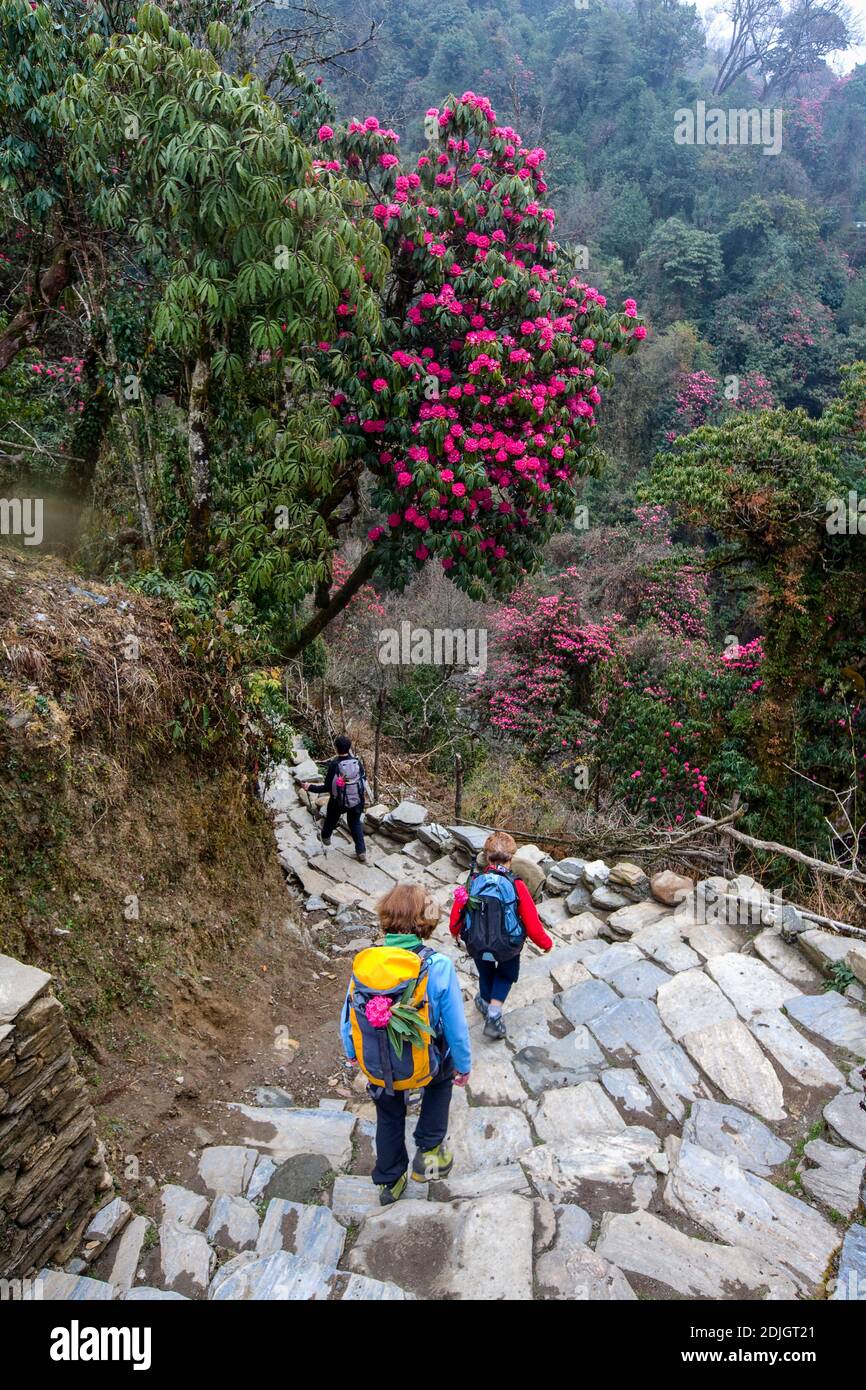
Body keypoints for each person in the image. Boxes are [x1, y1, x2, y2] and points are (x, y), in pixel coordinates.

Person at [340, 883, 471, 1206]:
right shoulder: (437, 965)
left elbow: (348, 1015)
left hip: (379, 1063)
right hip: (425, 1059)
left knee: (388, 1112)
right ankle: (428, 1156)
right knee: (441, 1082)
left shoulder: (365, 963)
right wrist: (464, 1064)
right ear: (425, 922)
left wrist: (352, 1053)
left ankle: (390, 1178)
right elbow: (455, 1024)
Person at [449, 830, 552, 1040]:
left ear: (487, 857)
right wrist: (545, 943)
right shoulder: (516, 884)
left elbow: (458, 911)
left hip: (477, 943)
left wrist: (455, 932)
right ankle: (494, 1015)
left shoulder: (474, 881)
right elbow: (532, 921)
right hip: (507, 947)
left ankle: (485, 1001)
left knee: (485, 972)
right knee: (505, 974)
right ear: (511, 858)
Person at [302, 733, 368, 862]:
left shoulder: (334, 765)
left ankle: (326, 837)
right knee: (354, 823)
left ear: (336, 748)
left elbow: (327, 787)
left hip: (338, 802)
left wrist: (310, 787)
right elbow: (363, 780)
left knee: (331, 818)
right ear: (349, 748)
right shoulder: (357, 763)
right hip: (357, 800)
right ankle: (361, 852)